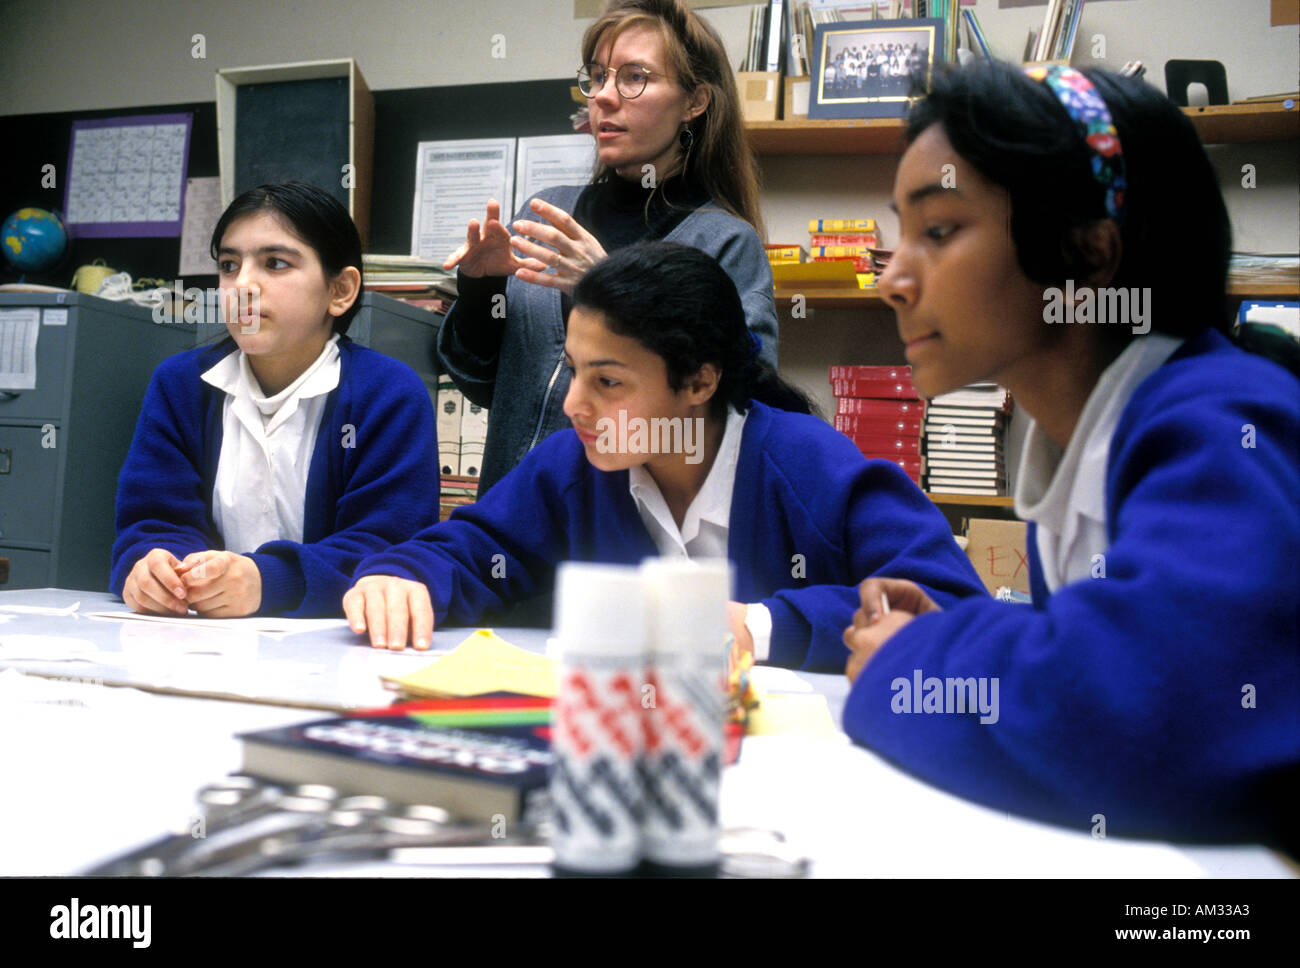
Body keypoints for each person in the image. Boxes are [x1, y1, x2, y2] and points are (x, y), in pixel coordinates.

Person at [841, 62, 1299, 845]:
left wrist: (922, 656)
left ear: (1089, 255)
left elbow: (1148, 717)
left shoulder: (1224, 415)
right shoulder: (1097, 440)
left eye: (940, 231)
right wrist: (971, 627)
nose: (892, 279)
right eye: (900, 234)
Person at [345, 242, 986, 659]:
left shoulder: (810, 464)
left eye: (609, 382)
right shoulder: (574, 467)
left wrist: (759, 627)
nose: (574, 406)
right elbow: (471, 551)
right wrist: (399, 578)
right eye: (574, 371)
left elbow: (949, 604)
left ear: (699, 382)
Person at [438, 0, 778, 495]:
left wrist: (614, 293)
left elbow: (738, 403)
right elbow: (482, 382)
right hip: (508, 526)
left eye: (634, 77)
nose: (603, 97)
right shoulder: (543, 213)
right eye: (597, 78)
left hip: (628, 536)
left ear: (694, 102)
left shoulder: (724, 242)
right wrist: (480, 289)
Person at [111, 182, 440, 618]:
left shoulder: (389, 394)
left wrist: (268, 581)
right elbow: (150, 526)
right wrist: (156, 570)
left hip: (337, 650)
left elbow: (388, 551)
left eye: (275, 263)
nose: (243, 285)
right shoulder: (181, 385)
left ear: (340, 290)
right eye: (229, 265)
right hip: (198, 642)